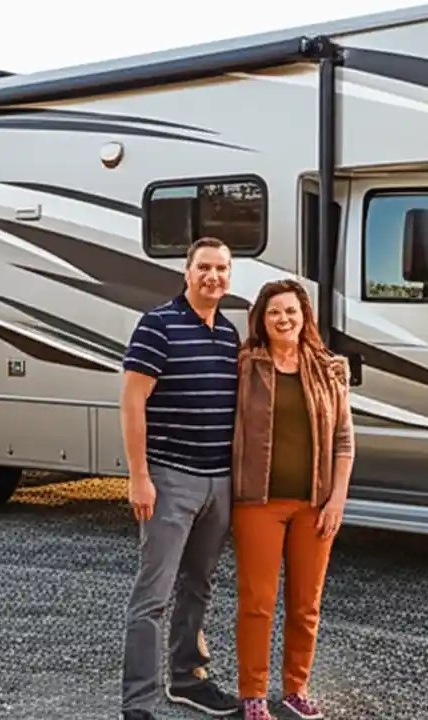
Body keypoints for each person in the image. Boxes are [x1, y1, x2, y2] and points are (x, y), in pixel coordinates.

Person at [118, 237, 242, 720]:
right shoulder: (157, 326)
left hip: (218, 482)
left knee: (199, 585)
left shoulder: (228, 334)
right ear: (187, 272)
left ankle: (187, 678)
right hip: (171, 480)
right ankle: (138, 705)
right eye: (205, 267)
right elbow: (132, 402)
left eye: (222, 269)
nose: (214, 276)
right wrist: (139, 477)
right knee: (153, 595)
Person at [229, 278, 356, 720]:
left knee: (306, 605)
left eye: (292, 311)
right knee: (257, 602)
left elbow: (343, 441)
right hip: (257, 503)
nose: (284, 319)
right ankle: (253, 695)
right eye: (275, 312)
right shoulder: (245, 366)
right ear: (261, 321)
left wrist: (337, 499)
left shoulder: (327, 369)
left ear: (305, 317)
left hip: (314, 506)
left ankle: (295, 689)